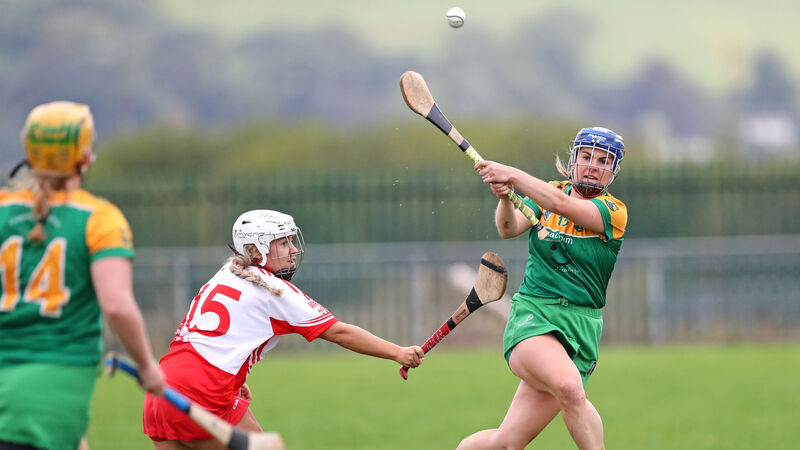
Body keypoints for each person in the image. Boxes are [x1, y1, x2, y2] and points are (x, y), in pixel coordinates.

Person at [142, 209, 425, 449]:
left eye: (291, 241)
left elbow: (204, 339)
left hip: (161, 390)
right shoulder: (273, 290)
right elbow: (340, 332)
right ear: (256, 250)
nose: (293, 250)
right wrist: (398, 352)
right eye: (283, 243)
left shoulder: (225, 274)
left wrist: (234, 382)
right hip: (204, 394)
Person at [0, 101, 165, 450]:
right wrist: (147, 366)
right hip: (53, 390)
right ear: (85, 156)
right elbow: (116, 306)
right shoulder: (99, 218)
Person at [458, 127, 627, 450]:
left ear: (613, 171)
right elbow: (508, 228)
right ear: (574, 159)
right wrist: (506, 198)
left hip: (582, 328)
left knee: (506, 443)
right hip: (534, 317)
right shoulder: (548, 193)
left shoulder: (613, 212)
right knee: (570, 388)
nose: (593, 166)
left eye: (603, 161)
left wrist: (512, 175)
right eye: (587, 156)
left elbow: (561, 205)